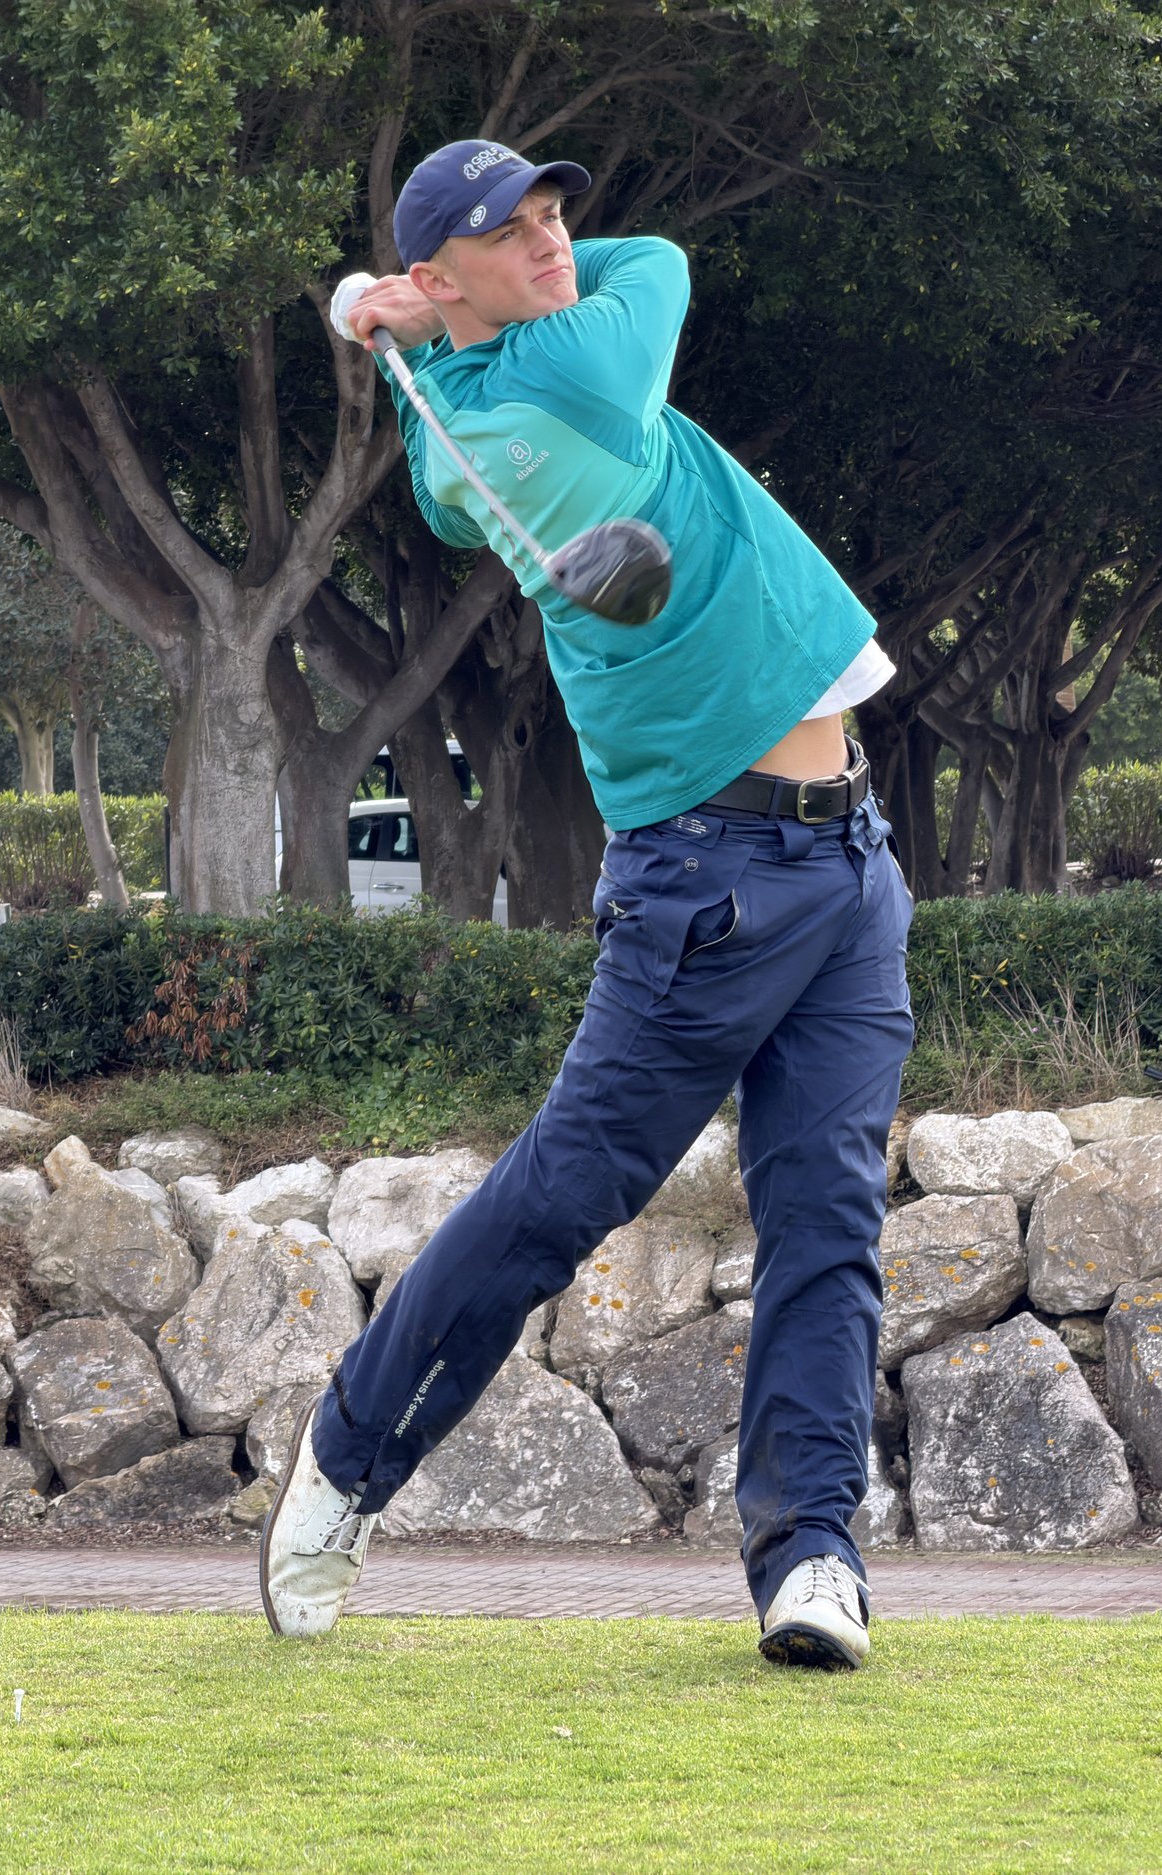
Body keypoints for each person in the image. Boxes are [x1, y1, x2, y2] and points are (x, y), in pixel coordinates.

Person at [261, 140, 913, 1670]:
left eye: (554, 213)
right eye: (511, 232)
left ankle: (813, 1557)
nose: (556, 241)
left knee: (828, 1215)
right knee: (566, 1196)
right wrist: (413, 320)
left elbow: (613, 268)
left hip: (847, 858)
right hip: (714, 876)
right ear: (444, 276)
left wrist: (404, 317)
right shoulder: (550, 401)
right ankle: (347, 1461)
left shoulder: (492, 379)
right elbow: (664, 265)